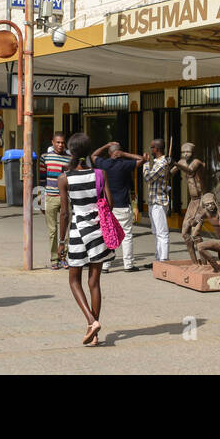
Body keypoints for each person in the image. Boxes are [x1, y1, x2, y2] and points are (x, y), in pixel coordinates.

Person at [57, 133, 114, 345]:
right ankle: (94, 333)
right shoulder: (100, 174)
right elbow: (110, 202)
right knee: (94, 282)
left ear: (71, 151)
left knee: (73, 280)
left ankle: (91, 321)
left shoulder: (65, 178)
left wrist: (60, 242)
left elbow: (64, 213)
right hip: (98, 231)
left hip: (77, 232)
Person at [92, 140, 146, 272]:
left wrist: (106, 145)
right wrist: (124, 154)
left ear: (109, 153)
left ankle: (105, 265)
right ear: (119, 153)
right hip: (122, 205)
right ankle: (128, 265)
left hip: (107, 205)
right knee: (127, 234)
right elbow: (142, 159)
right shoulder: (124, 164)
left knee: (108, 233)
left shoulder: (103, 164)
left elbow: (93, 156)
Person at [141, 140, 179, 262]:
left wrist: (146, 163)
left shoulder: (162, 163)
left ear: (156, 149)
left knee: (162, 233)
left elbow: (148, 177)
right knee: (156, 232)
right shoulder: (160, 162)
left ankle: (163, 260)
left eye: (151, 147)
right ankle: (158, 260)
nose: (150, 149)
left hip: (159, 202)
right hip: (154, 201)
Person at [40, 133, 71, 269]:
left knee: (68, 230)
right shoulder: (45, 157)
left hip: (66, 198)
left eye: (62, 143)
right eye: (57, 142)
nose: (60, 145)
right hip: (50, 197)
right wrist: (39, 201)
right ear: (52, 142)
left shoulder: (70, 158)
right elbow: (41, 180)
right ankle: (54, 259)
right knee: (52, 231)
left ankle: (64, 257)